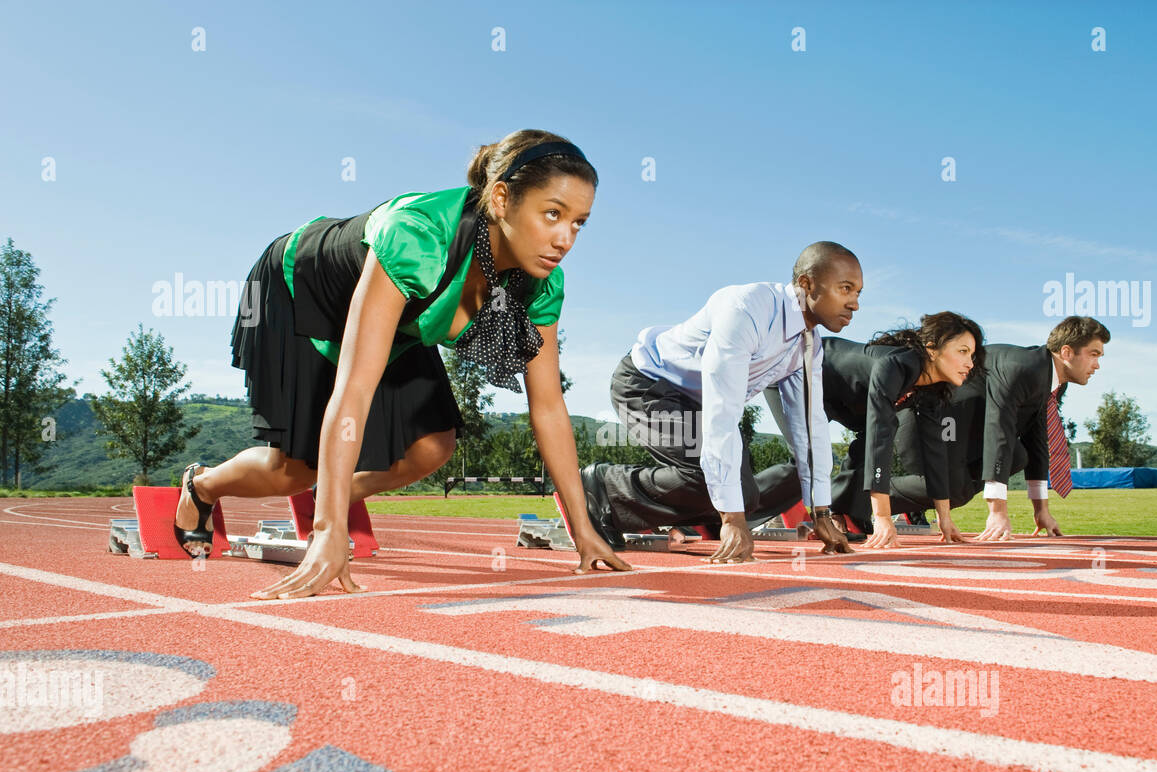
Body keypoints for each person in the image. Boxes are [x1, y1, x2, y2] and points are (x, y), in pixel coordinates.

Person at [174, 129, 631, 598]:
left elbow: (550, 407)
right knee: (294, 469)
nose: (565, 239)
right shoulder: (418, 237)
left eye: (579, 223)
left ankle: (328, 490)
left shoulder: (541, 285)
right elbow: (353, 390)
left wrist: (584, 530)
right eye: (552, 214)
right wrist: (330, 531)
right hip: (305, 291)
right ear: (500, 199)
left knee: (432, 446)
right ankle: (203, 487)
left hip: (400, 321)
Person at [574, 243, 861, 564]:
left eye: (858, 293)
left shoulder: (808, 346)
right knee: (716, 487)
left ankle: (682, 511)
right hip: (648, 383)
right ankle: (604, 486)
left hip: (698, 401)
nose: (855, 304)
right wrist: (731, 519)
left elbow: (810, 427)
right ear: (807, 284)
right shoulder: (748, 309)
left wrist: (821, 510)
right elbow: (722, 411)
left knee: (745, 496)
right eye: (845, 288)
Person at [754, 312, 983, 549]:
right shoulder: (895, 365)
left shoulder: (930, 390)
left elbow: (935, 453)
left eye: (973, 355)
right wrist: (883, 517)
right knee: (811, 458)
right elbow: (879, 435)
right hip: (797, 372)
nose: (970, 363)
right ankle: (728, 510)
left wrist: (944, 518)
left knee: (875, 437)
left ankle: (842, 512)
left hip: (840, 399)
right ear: (932, 349)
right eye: (963, 351)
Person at [973, 315, 1109, 540]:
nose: (1097, 365)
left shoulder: (1054, 383)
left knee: (1019, 455)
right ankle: (911, 505)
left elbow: (1036, 440)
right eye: (1093, 355)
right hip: (937, 422)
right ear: (1066, 353)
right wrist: (997, 512)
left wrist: (1041, 510)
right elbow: (999, 429)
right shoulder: (1024, 369)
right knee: (953, 488)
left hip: (971, 431)